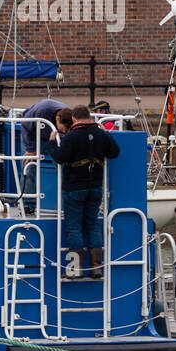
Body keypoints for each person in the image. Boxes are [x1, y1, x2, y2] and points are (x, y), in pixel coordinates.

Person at [51, 105, 121, 278]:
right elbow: (115, 152)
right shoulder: (102, 134)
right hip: (96, 187)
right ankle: (96, 267)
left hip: (74, 188)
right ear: (90, 117)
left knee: (74, 227)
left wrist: (52, 143)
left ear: (74, 119)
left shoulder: (71, 136)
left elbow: (60, 158)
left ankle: (76, 269)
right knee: (92, 224)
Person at [18, 98, 67, 213]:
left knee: (65, 167)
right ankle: (27, 205)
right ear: (57, 119)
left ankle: (69, 204)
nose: (65, 131)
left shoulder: (67, 116)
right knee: (28, 168)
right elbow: (25, 125)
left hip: (54, 138)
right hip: (33, 135)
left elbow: (67, 133)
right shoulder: (43, 111)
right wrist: (31, 149)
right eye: (63, 128)